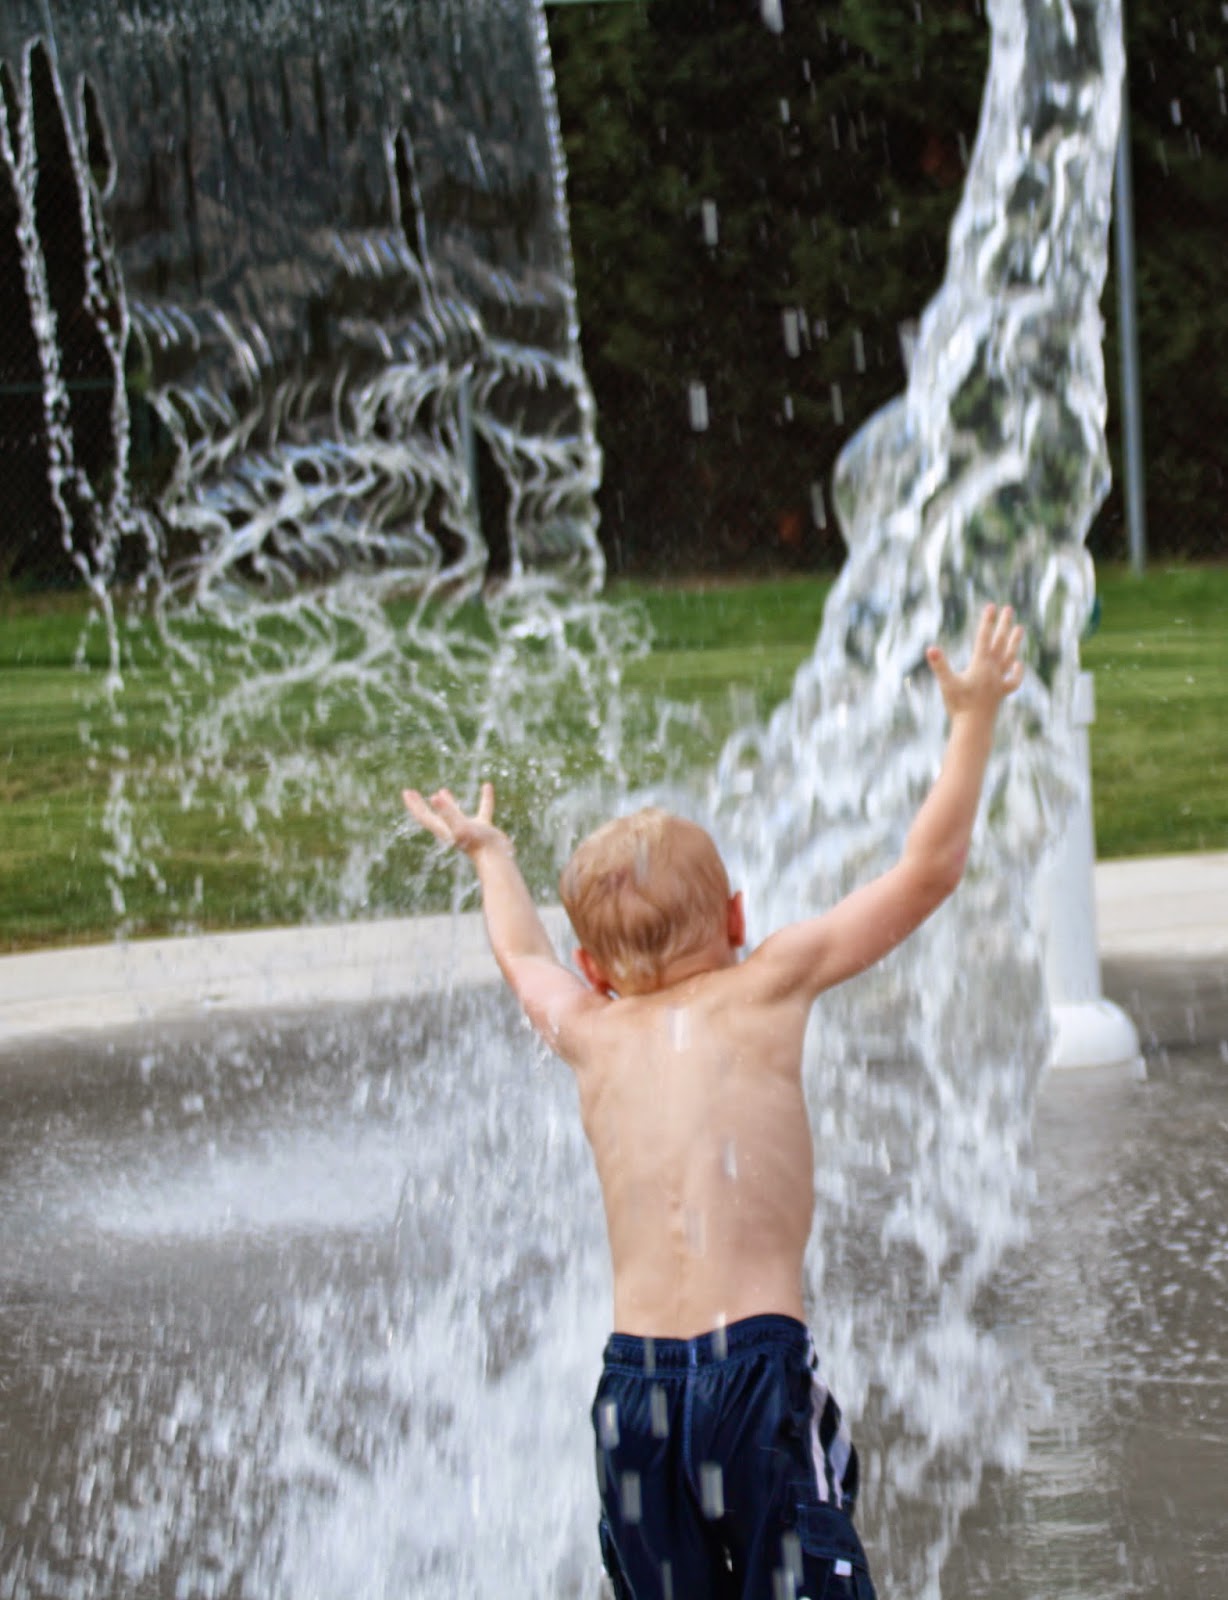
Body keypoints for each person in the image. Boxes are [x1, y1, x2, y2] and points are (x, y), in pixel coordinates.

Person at [403, 602, 1025, 1600]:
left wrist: (491, 854)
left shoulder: (588, 1027)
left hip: (634, 1395)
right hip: (754, 1376)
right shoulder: (768, 981)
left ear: (592, 966)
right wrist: (973, 716)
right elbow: (927, 873)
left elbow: (520, 955)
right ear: (737, 916)